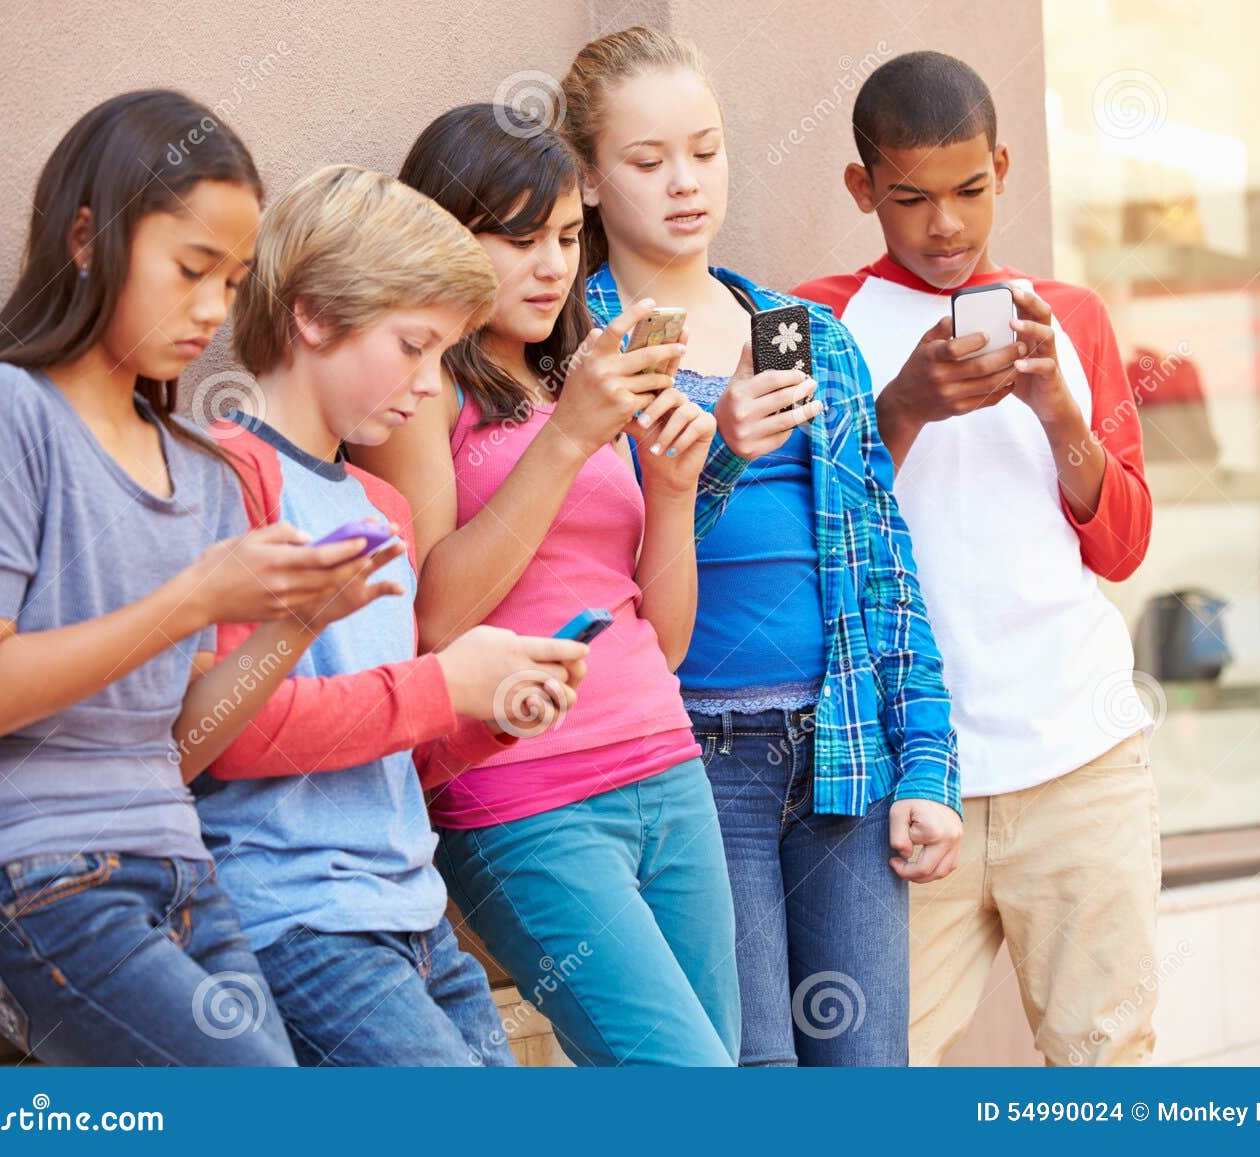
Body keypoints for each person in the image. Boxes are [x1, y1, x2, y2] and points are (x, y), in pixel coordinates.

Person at [0, 91, 387, 1066]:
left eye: (233, 281)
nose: (211, 312)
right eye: (191, 270)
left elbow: (180, 744)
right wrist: (194, 596)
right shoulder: (7, 413)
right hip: (41, 876)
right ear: (88, 237)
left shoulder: (201, 469)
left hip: (183, 872)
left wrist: (297, 623)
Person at [560, 27, 963, 1066]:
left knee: (866, 1074)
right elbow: (602, 580)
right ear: (591, 182)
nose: (685, 183)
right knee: (751, 1072)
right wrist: (724, 452)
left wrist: (925, 759)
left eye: (705, 149)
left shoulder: (801, 332)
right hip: (692, 758)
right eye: (647, 162)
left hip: (839, 752)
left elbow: (883, 563)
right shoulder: (583, 349)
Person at [350, 103, 739, 1067]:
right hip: (524, 794)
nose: (553, 265)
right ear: (444, 235)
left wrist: (675, 489)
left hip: (666, 761)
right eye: (518, 238)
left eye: (567, 235)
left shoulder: (570, 376)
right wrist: (567, 438)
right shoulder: (426, 386)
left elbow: (669, 638)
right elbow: (431, 613)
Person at [794, 50, 1159, 1065]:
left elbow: (1123, 543)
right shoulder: (811, 321)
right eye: (909, 197)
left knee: (1107, 1061)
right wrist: (898, 410)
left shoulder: (1069, 317)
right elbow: (796, 538)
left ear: (1002, 167)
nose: (944, 225)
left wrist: (1056, 412)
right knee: (868, 1060)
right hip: (906, 768)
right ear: (862, 187)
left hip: (1081, 757)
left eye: (969, 190)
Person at [193, 164, 591, 1067]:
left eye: (444, 352)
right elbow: (234, 733)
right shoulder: (229, 474)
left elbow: (387, 744)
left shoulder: (383, 506)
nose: (427, 381)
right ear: (313, 316)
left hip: (416, 921)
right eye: (412, 345)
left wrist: (485, 716)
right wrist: (442, 681)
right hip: (301, 925)